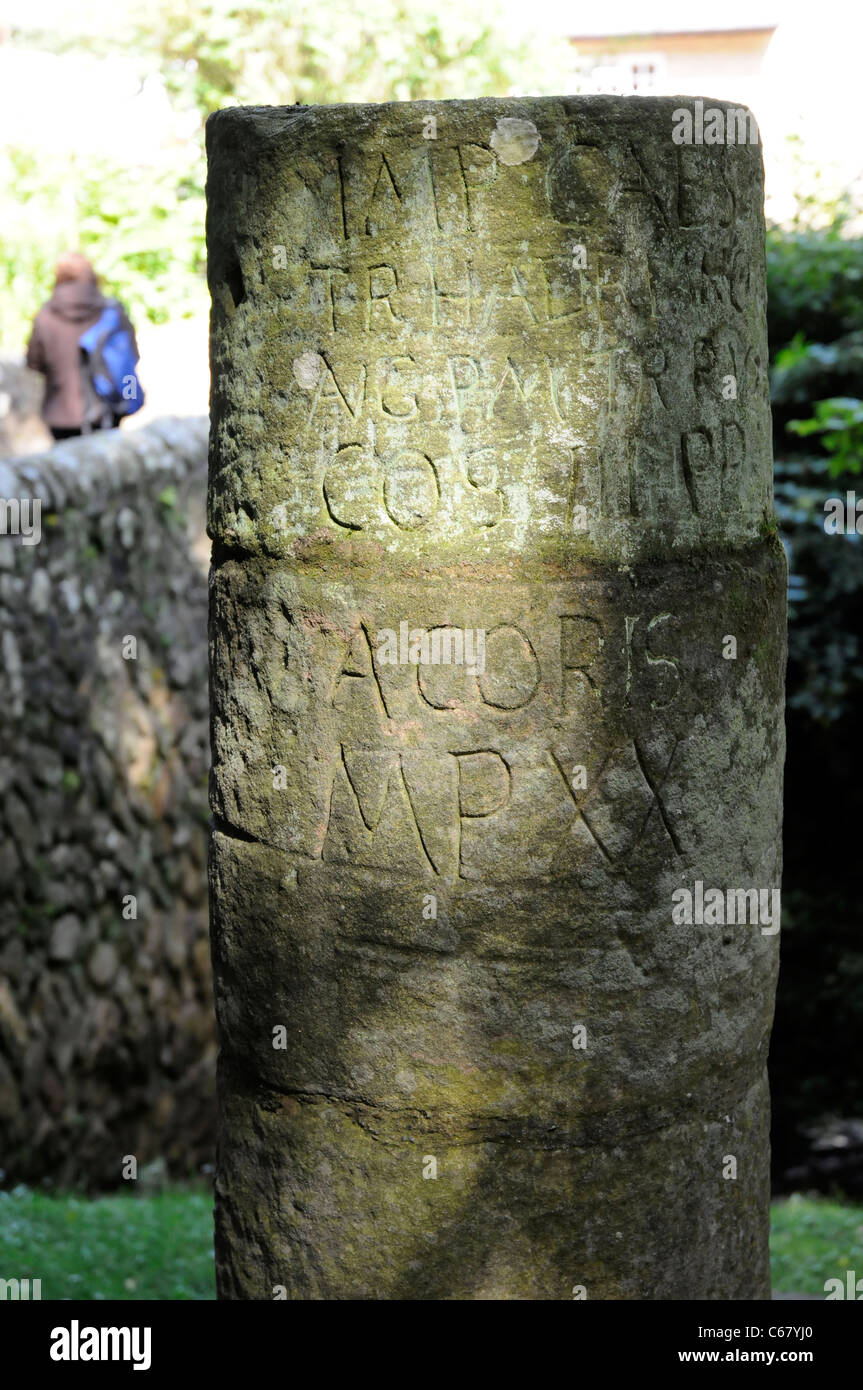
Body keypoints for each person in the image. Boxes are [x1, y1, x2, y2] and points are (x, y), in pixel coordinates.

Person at [26, 252, 140, 441]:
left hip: (61, 415)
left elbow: (33, 362)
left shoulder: (45, 317)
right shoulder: (111, 311)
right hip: (107, 410)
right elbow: (131, 356)